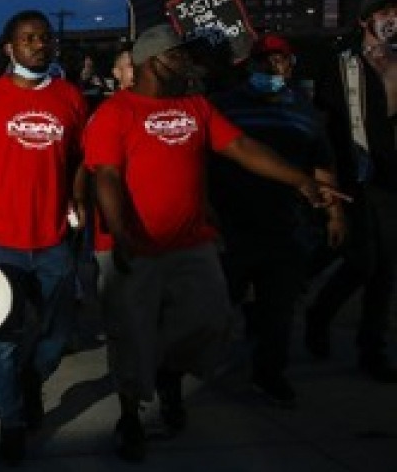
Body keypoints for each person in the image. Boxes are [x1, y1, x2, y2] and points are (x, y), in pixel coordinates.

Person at [84, 24, 342, 462]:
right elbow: (106, 175)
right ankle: (131, 417)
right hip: (132, 246)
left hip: (191, 242)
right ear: (153, 63)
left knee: (209, 320)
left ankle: (167, 374)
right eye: (179, 57)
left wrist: (299, 179)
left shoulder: (196, 106)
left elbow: (240, 146)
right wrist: (121, 231)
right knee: (131, 339)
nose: (189, 65)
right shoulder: (115, 113)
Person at [0, 10, 88, 465]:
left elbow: (79, 161)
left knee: (58, 332)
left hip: (52, 241)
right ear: (9, 47)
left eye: (45, 37)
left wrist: (76, 197)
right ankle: (10, 420)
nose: (39, 44)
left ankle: (33, 381)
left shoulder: (71, 98)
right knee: (3, 341)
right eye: (28, 38)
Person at [209, 34, 345, 407]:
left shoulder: (305, 111)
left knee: (279, 310)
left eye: (279, 61)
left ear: (290, 65)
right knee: (214, 308)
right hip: (232, 226)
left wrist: (334, 213)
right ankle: (186, 371)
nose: (271, 68)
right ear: (249, 66)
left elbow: (322, 165)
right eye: (263, 62)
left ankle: (269, 374)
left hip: (286, 227)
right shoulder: (223, 106)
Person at [306, 0, 397, 382]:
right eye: (385, 11)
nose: (393, 18)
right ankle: (319, 314)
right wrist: (326, 180)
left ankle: (371, 348)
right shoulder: (340, 64)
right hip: (352, 176)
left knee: (386, 267)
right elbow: (321, 124)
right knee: (363, 261)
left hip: (391, 179)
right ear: (365, 20)